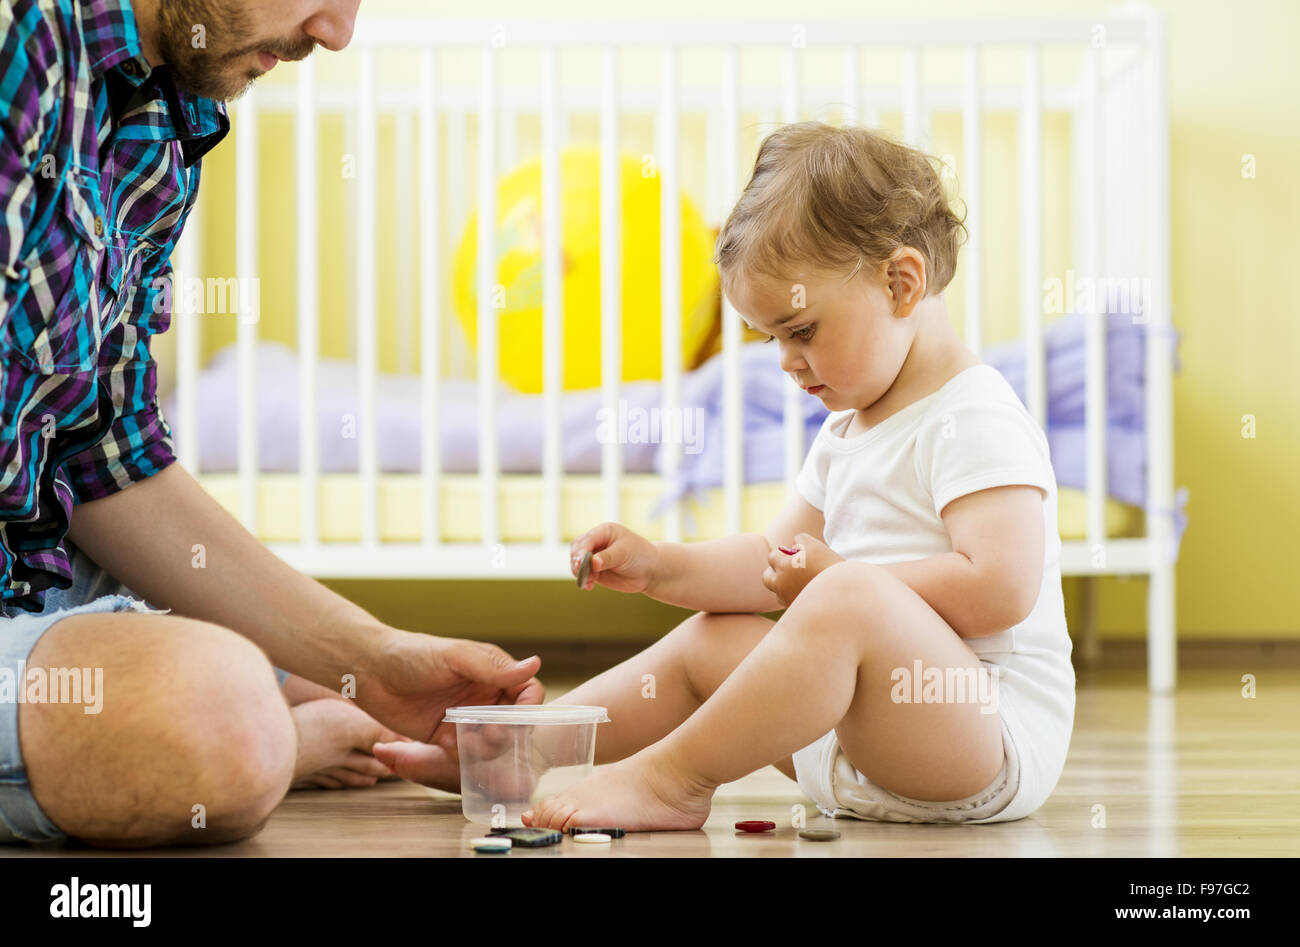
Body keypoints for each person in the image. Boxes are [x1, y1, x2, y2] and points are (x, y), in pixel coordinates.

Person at [0, 0, 541, 848]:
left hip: (34, 570)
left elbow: (105, 450)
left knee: (304, 684)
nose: (337, 32)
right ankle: (264, 732)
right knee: (226, 716)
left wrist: (374, 660)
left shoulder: (171, 109)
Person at [507, 121, 1076, 831]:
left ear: (902, 283)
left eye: (801, 330)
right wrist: (660, 565)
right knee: (717, 636)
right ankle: (516, 749)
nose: (786, 360)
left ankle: (673, 777)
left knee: (847, 595)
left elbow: (1000, 586)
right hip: (862, 741)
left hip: (980, 738)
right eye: (771, 337)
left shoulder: (974, 413)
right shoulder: (848, 428)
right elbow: (771, 567)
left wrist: (837, 577)